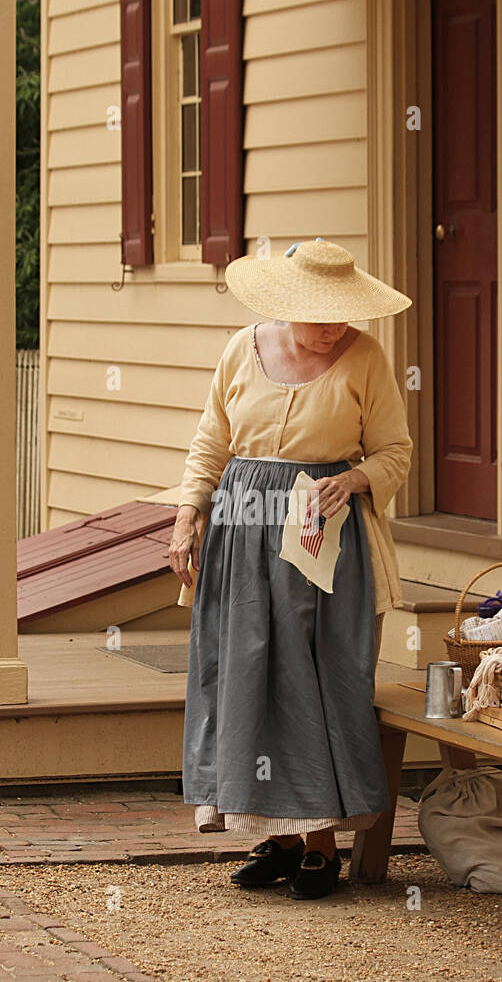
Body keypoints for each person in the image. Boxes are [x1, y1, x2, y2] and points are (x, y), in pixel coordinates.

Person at [169, 239, 413, 900]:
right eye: (320, 313)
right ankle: (273, 838)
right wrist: (189, 515)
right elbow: (210, 443)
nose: (334, 326)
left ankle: (321, 844)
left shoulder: (364, 357)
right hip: (241, 534)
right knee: (245, 677)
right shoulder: (241, 349)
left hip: (321, 539)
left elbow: (396, 451)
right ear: (286, 304)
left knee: (314, 679)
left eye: (342, 312)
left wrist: (357, 479)